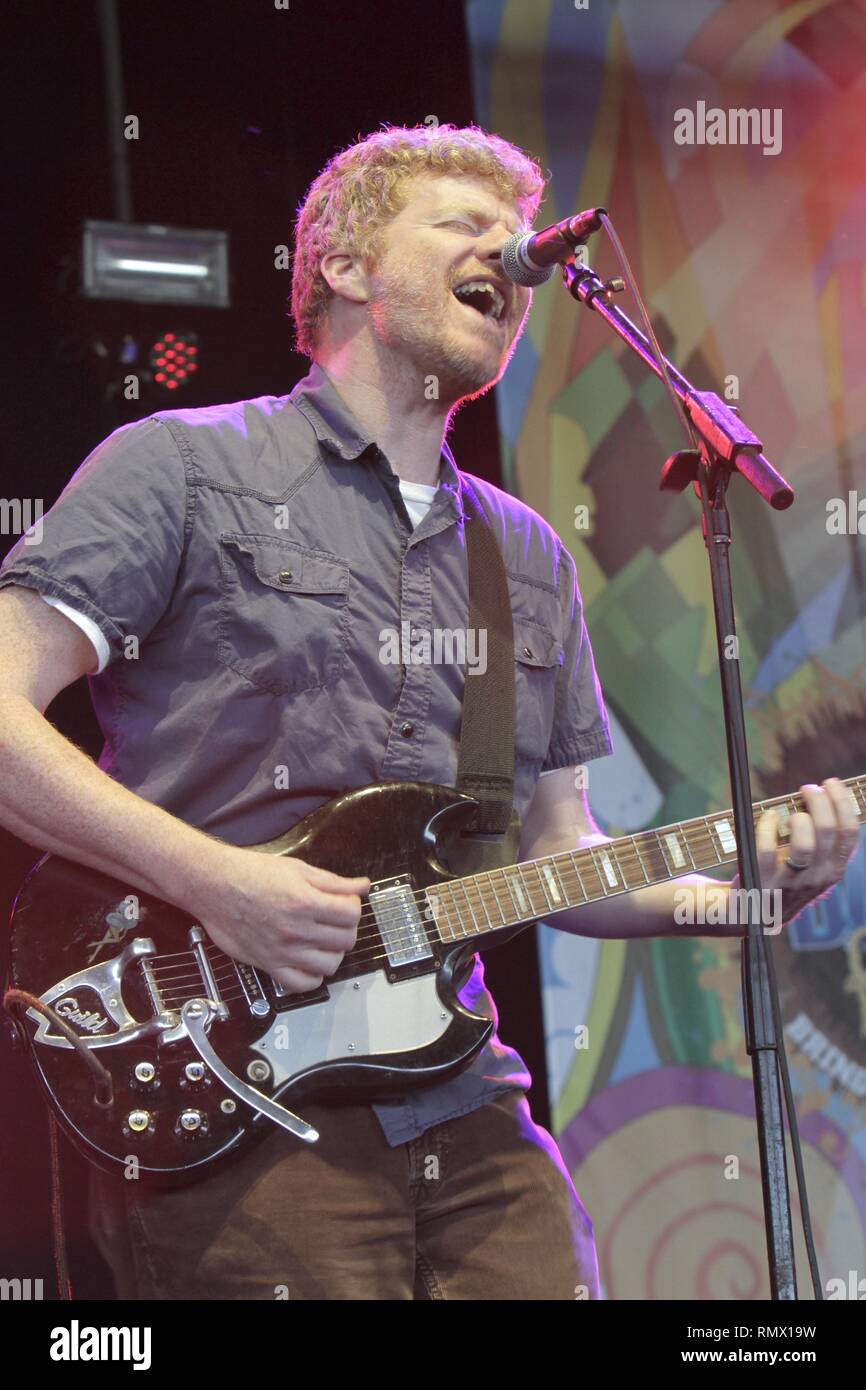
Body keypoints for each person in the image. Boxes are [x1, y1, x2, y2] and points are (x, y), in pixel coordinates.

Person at [0, 124, 858, 1301]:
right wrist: (215, 880)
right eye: (465, 226)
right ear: (345, 268)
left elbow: (564, 860)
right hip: (228, 1086)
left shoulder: (522, 553)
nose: (508, 256)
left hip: (460, 1092)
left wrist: (754, 888)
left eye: (515, 238)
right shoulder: (182, 468)